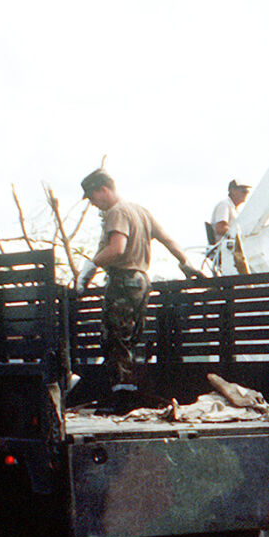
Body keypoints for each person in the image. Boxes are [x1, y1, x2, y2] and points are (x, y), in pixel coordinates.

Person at [78, 169, 200, 403]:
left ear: (103, 190)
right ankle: (132, 393)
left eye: (92, 197)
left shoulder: (116, 212)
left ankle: (122, 398)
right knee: (132, 339)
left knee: (116, 341)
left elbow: (117, 248)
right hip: (141, 282)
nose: (92, 203)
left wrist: (90, 266)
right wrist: (185, 263)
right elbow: (168, 239)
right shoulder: (140, 211)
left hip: (123, 282)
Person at [208, 179, 250, 275]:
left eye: (247, 191)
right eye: (243, 190)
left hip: (232, 249)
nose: (246, 193)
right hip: (226, 249)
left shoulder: (234, 209)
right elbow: (220, 228)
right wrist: (239, 237)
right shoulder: (224, 205)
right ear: (232, 190)